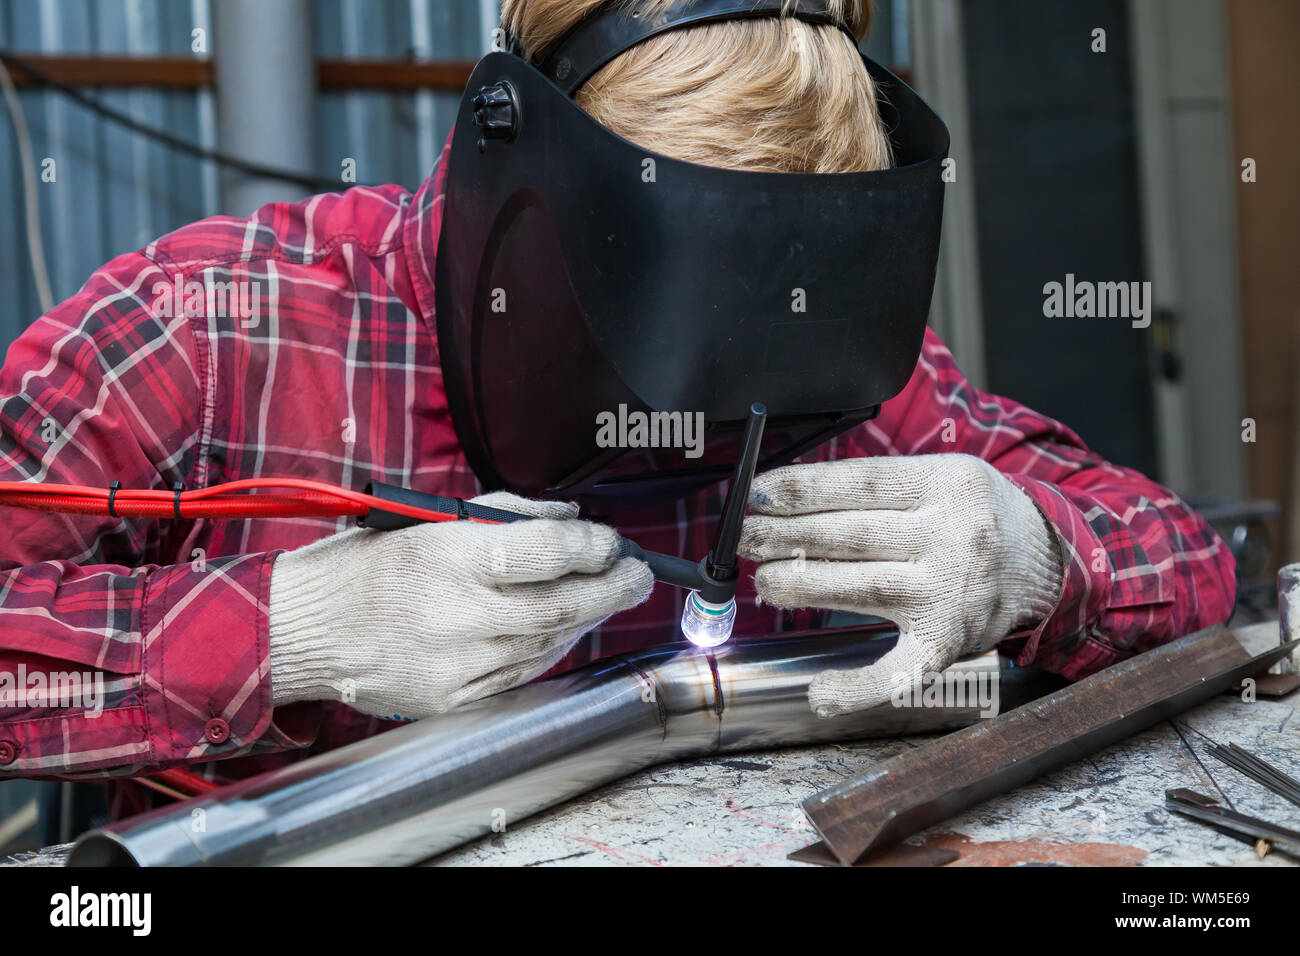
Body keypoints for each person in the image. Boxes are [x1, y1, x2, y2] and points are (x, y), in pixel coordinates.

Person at [0, 0, 1233, 818]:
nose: (708, 433)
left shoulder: (853, 381)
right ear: (520, 192)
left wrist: (1036, 559)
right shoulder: (216, 329)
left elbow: (1194, 564)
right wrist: (291, 631)